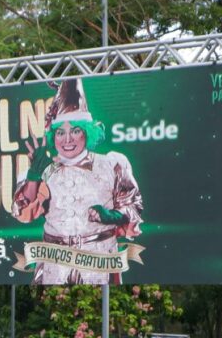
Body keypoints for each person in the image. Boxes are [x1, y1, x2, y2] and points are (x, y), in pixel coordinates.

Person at [12, 78, 144, 286]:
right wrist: (34, 177)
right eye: (60, 132)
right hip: (55, 262)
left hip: (100, 260)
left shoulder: (112, 164)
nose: (67, 140)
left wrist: (112, 215)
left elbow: (133, 207)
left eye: (75, 130)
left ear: (87, 132)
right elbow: (23, 212)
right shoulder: (44, 169)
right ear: (53, 136)